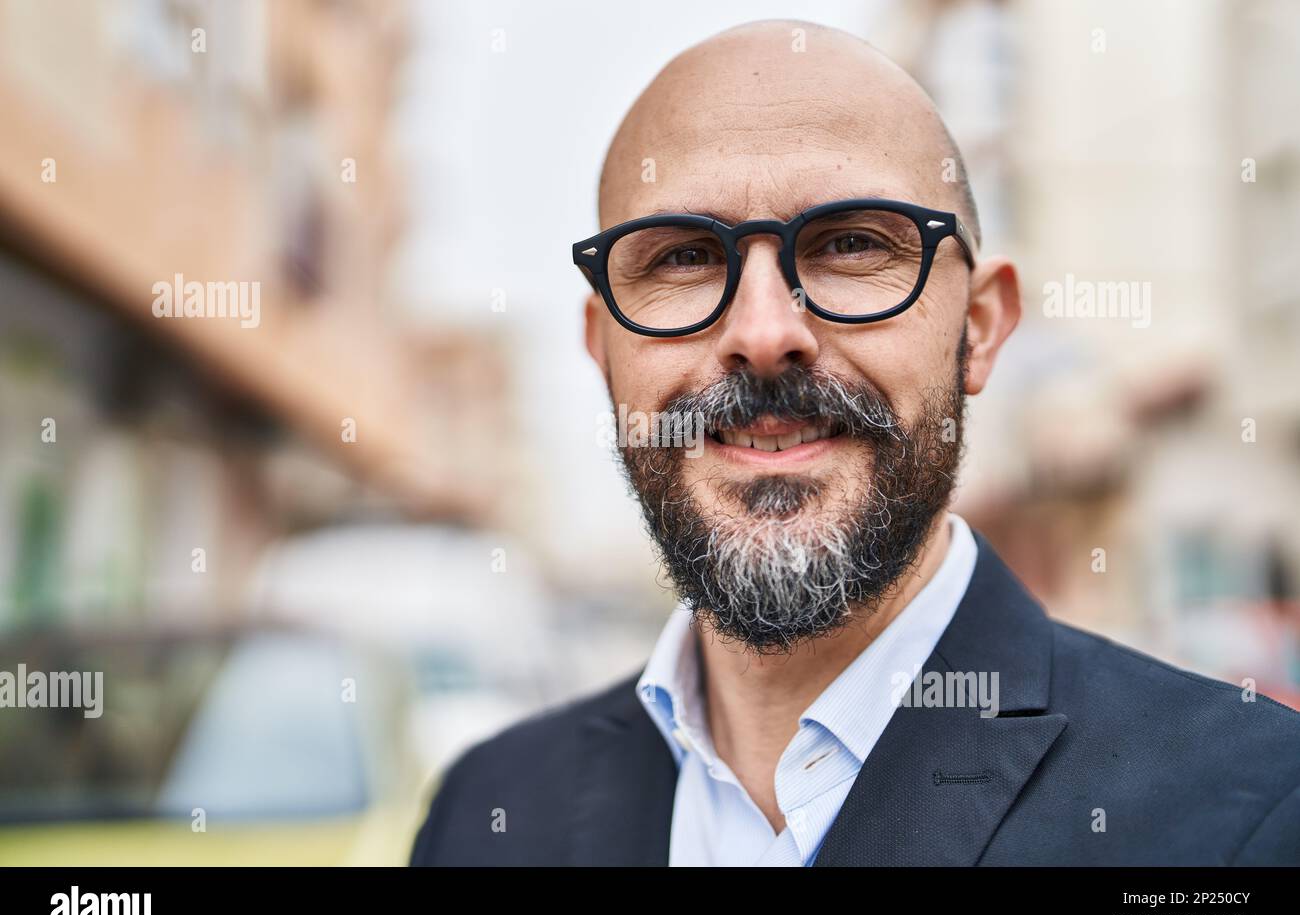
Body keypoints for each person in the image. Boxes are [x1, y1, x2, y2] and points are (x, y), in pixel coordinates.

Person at [410, 20, 1300, 866]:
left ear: (982, 328)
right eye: (683, 257)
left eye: (847, 243)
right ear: (603, 349)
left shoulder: (1252, 813)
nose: (763, 332)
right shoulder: (487, 815)